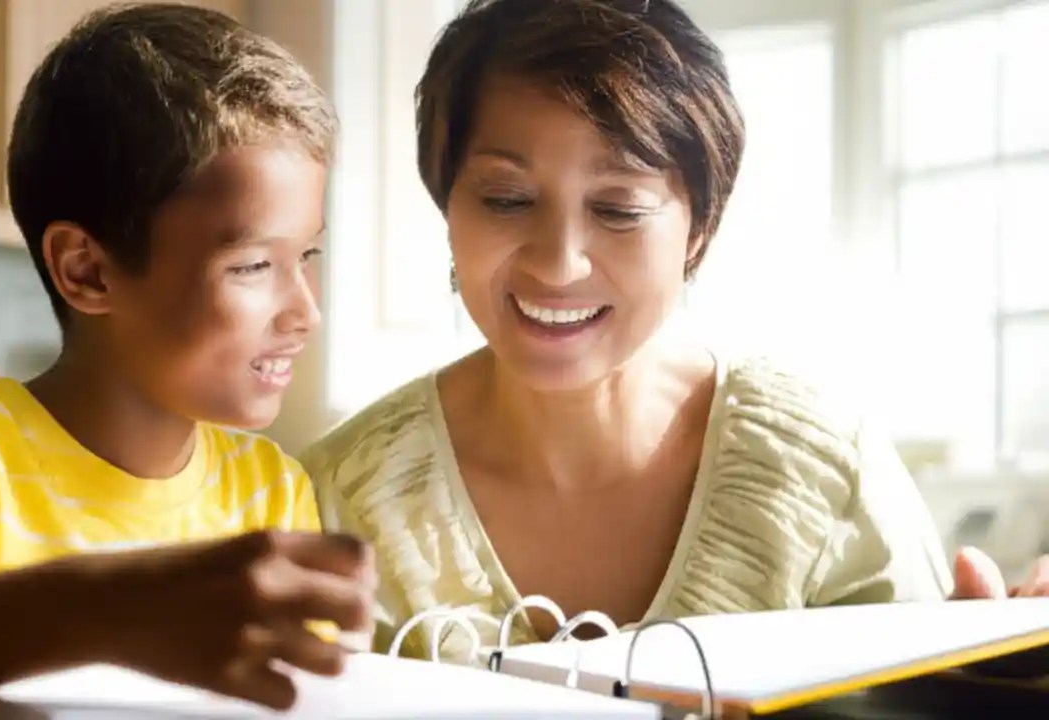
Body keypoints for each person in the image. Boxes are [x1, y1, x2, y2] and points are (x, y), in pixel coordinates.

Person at [301, 0, 1047, 664]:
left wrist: (990, 685)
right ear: (446, 203)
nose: (558, 263)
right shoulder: (345, 497)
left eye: (620, 209)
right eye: (505, 198)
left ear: (699, 227)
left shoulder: (825, 476)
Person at [0, 5, 373, 718]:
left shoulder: (268, 495)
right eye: (251, 266)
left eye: (306, 255)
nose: (305, 310)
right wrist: (104, 611)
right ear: (85, 270)